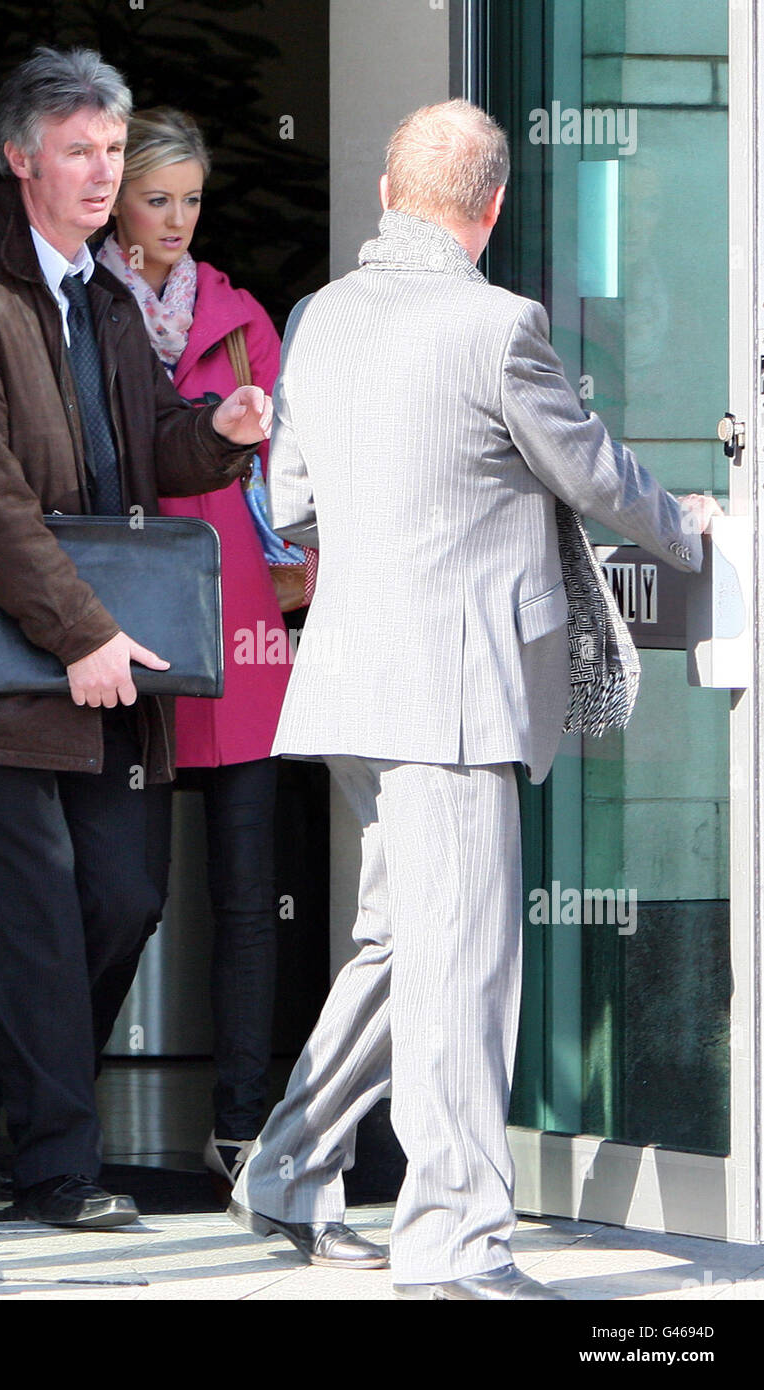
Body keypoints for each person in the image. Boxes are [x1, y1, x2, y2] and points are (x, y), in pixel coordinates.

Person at [228, 99, 719, 1297]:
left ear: (392, 193)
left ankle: (285, 1167)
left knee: (403, 948)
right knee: (460, 971)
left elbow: (287, 503)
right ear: (489, 209)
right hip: (449, 698)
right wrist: (693, 532)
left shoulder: (318, 315)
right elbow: (593, 474)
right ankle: (451, 1242)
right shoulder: (498, 326)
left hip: (350, 684)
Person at [0, 46, 270, 1228]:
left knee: (124, 897)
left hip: (110, 666)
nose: (101, 172)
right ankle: (59, 1167)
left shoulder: (106, 299)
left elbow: (150, 450)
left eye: (113, 150)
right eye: (79, 149)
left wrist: (218, 433)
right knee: (24, 917)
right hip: (7, 672)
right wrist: (79, 630)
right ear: (20, 155)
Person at [94, 109, 291, 1187]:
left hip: (239, 627)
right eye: (155, 198)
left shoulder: (242, 317)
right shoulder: (79, 306)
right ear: (119, 198)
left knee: (247, 892)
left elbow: (281, 477)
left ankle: (240, 1125)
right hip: (120, 625)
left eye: (189, 201)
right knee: (116, 888)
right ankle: (45, 1106)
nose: (174, 220)